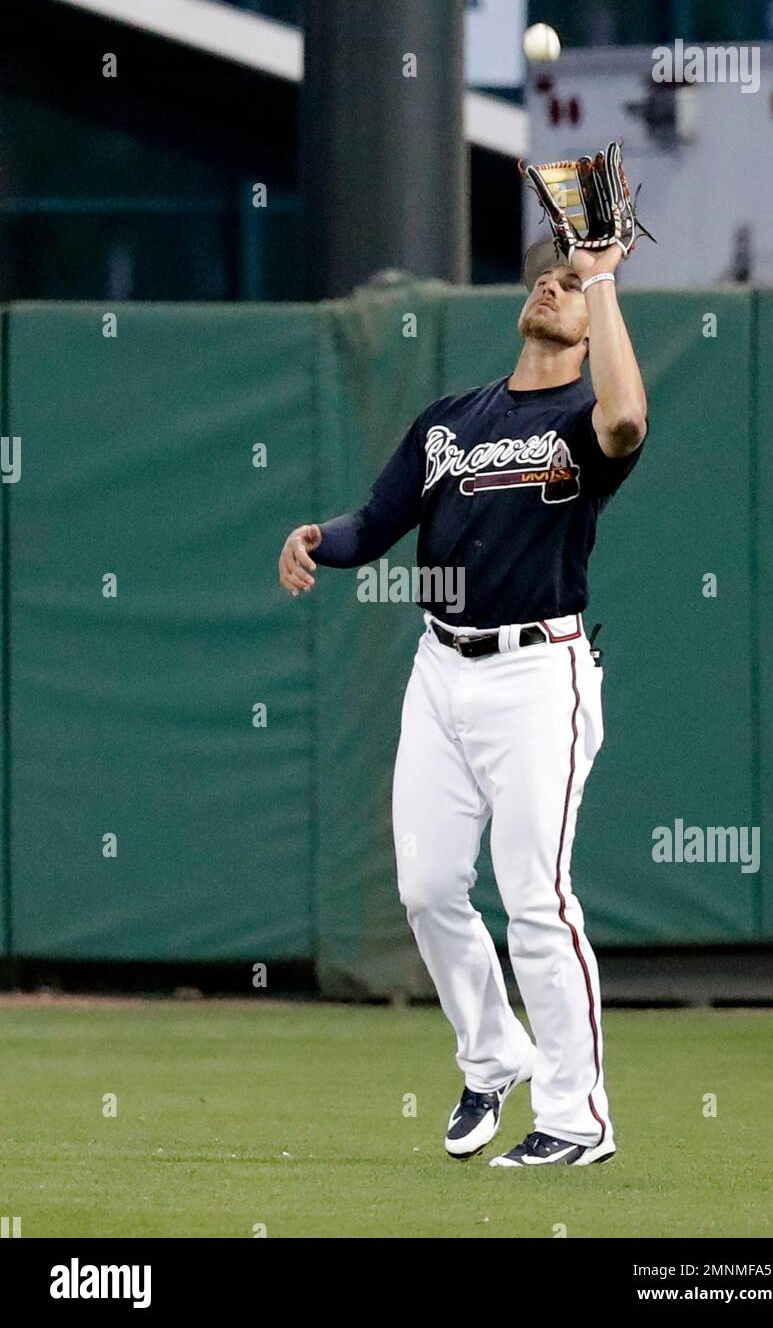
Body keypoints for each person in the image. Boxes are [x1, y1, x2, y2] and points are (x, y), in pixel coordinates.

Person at [278, 239, 647, 1167]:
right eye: (548, 278)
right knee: (429, 886)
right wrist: (321, 538)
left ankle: (576, 1120)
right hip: (440, 669)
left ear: (593, 312)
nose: (553, 288)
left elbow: (630, 418)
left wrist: (604, 278)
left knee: (535, 898)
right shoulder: (453, 419)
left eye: (572, 284)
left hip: (538, 675)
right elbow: (376, 523)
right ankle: (493, 1056)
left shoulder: (584, 418)